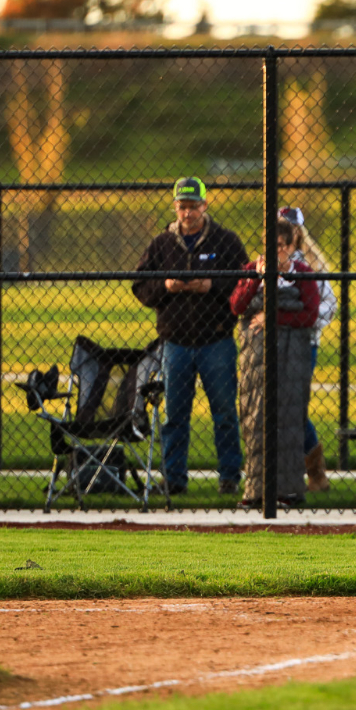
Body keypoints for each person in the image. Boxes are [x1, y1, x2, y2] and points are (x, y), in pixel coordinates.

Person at [131, 176, 248, 495]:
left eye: (193, 207)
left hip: (216, 340)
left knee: (225, 413)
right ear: (175, 207)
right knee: (174, 416)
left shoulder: (225, 241)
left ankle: (229, 477)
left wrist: (212, 286)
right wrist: (166, 287)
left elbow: (245, 282)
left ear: (205, 205)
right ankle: (174, 479)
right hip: (176, 343)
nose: (187, 213)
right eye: (182, 207)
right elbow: (139, 285)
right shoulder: (161, 244)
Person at [230, 217, 320, 507]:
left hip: (292, 355)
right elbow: (237, 306)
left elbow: (309, 314)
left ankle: (288, 491)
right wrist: (256, 279)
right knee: (256, 419)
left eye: (280, 246)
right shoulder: (251, 270)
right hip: (256, 357)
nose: (274, 252)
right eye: (269, 246)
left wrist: (273, 317)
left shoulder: (302, 274)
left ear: (291, 247)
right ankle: (256, 491)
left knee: (289, 420)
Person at [280, 206, 337, 492]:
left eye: (290, 226)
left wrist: (307, 320)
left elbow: (329, 305)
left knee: (294, 407)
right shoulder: (269, 261)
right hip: (274, 342)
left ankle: (316, 473)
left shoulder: (311, 264)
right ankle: (284, 473)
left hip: (304, 343)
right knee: (275, 406)